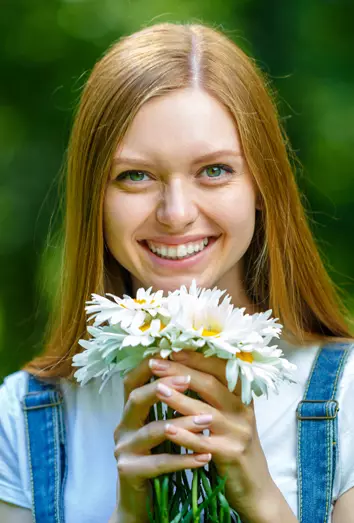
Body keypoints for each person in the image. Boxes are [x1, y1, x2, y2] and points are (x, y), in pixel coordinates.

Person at [0, 21, 353, 523]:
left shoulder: (345, 396)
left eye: (214, 170)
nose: (176, 212)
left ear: (262, 186)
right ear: (94, 200)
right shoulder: (20, 420)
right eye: (135, 176)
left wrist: (262, 500)